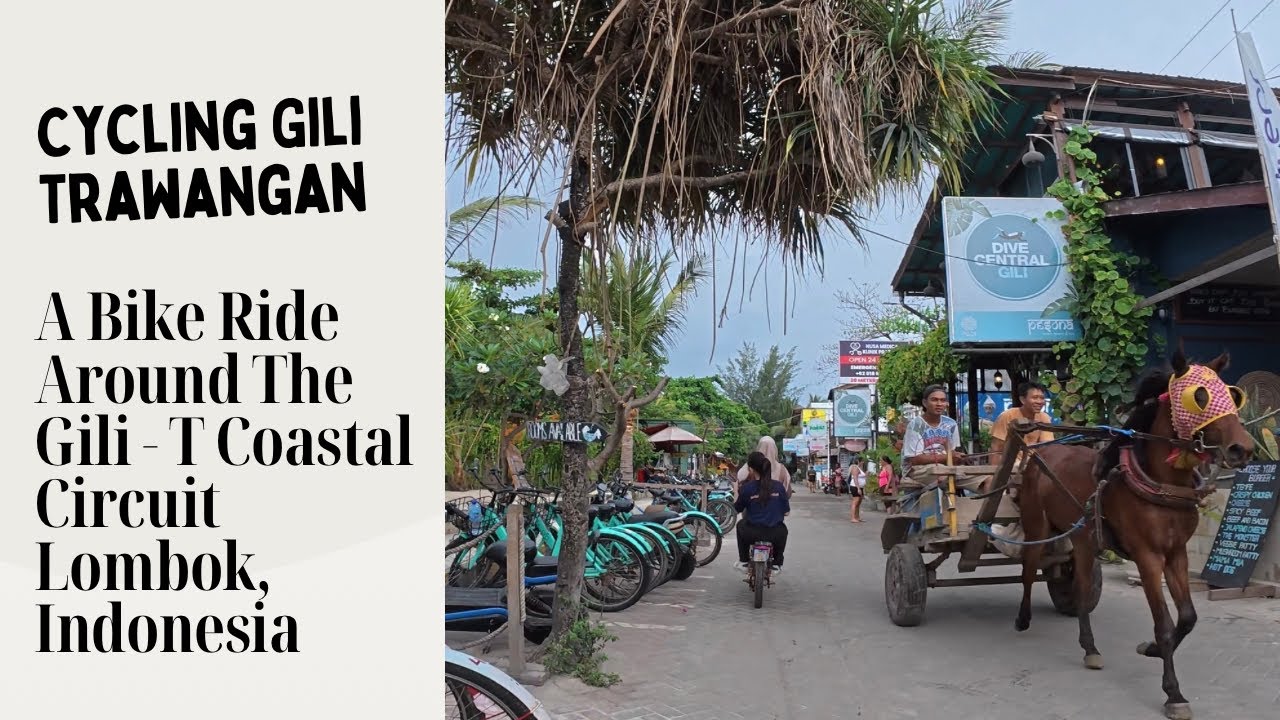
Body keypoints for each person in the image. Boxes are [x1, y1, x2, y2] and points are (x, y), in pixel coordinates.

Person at [900, 384, 977, 492]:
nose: (939, 404)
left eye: (942, 400)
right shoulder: (915, 426)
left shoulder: (951, 424)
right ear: (924, 403)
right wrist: (948, 457)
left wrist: (958, 458)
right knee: (945, 476)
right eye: (934, 400)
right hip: (918, 470)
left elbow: (951, 451)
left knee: (987, 480)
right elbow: (915, 459)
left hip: (945, 467)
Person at [734, 451, 790, 573]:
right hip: (775, 534)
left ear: (751, 469)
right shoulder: (779, 487)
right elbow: (786, 511)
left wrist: (736, 493)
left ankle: (743, 561)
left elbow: (737, 508)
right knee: (783, 530)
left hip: (751, 533)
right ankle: (776, 563)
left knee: (740, 525)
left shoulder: (747, 488)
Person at [989, 381, 1055, 468]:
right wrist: (992, 474)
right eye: (1035, 398)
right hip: (1009, 466)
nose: (1039, 401)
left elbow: (1047, 447)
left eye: (1042, 398)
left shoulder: (1044, 417)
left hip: (1033, 465)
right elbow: (996, 449)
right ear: (1022, 400)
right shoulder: (1007, 416)